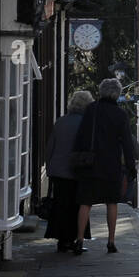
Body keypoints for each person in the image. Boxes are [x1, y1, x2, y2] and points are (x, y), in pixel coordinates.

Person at [73, 78, 137, 255]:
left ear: (101, 91)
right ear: (117, 94)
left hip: (90, 163)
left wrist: (77, 158)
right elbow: (127, 144)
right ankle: (111, 241)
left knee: (85, 202)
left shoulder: (91, 110)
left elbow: (81, 136)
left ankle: (79, 239)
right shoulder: (120, 114)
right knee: (111, 202)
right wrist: (131, 167)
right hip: (110, 165)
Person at [45, 90, 94, 252]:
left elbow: (50, 147)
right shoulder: (87, 124)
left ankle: (62, 240)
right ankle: (74, 239)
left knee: (61, 206)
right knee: (76, 207)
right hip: (77, 172)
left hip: (58, 172)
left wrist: (49, 167)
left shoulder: (60, 122)